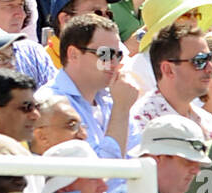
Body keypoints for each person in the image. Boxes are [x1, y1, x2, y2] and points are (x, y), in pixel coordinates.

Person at [36, 11, 137, 159]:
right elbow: (99, 173)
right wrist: (121, 110)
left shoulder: (112, 98)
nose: (114, 63)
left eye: (118, 55)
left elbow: (138, 156)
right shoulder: (49, 105)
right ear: (73, 54)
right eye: (106, 54)